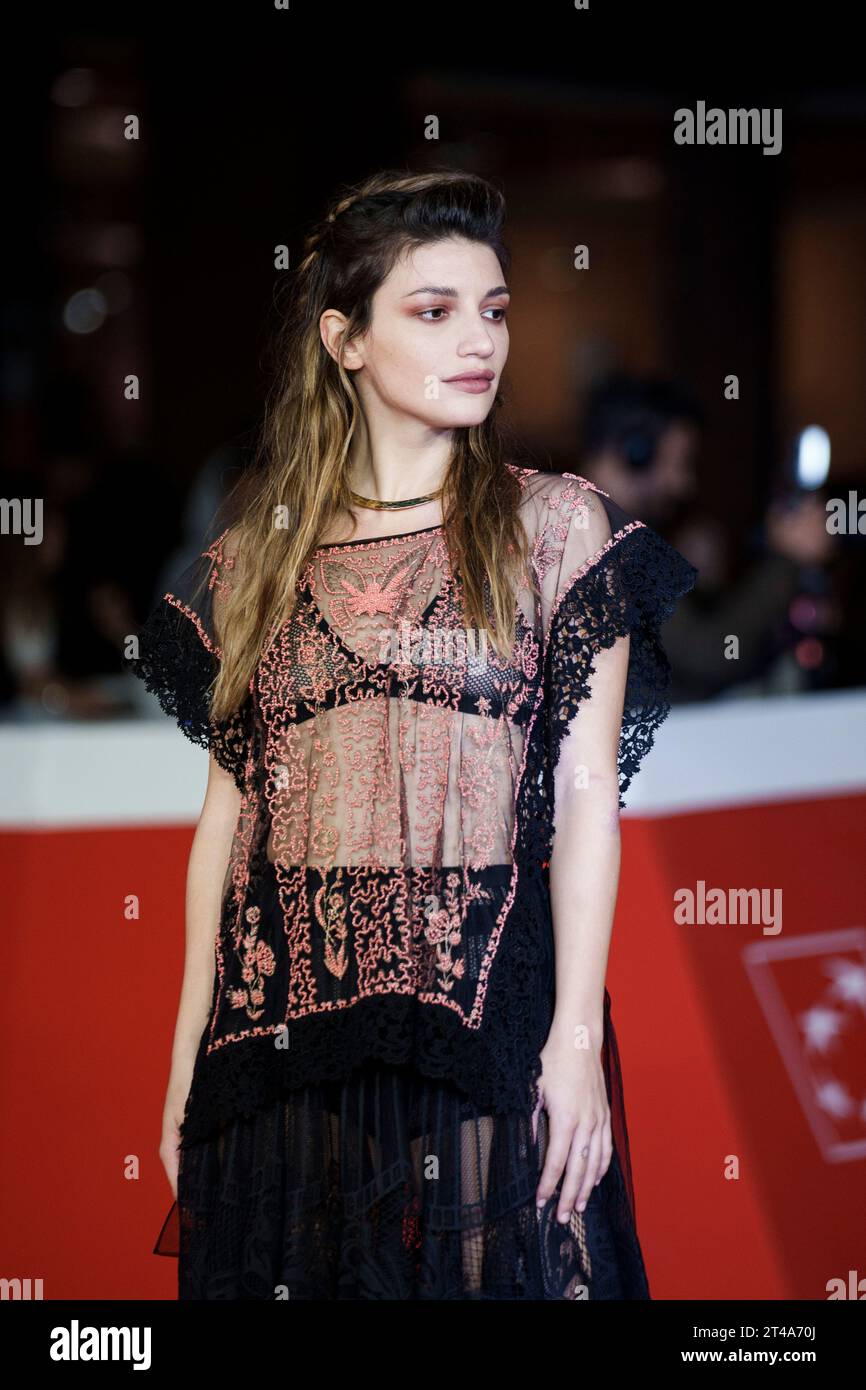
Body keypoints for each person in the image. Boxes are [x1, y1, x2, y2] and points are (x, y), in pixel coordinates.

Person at [126, 168, 697, 1300]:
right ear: (344, 339)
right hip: (278, 1023)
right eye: (431, 312)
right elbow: (228, 820)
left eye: (490, 310)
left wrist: (575, 1037)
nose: (475, 340)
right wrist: (190, 1045)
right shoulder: (253, 563)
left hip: (484, 1007)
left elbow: (587, 799)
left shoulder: (553, 530)